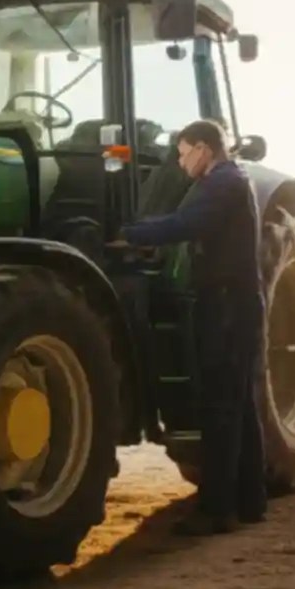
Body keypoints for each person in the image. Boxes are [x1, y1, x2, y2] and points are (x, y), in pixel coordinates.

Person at [114, 118, 268, 535]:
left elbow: (186, 225)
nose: (181, 163)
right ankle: (251, 501)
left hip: (226, 308)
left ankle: (217, 510)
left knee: (220, 405)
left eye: (183, 154)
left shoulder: (221, 184)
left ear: (203, 149)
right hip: (235, 305)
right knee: (240, 404)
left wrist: (129, 233)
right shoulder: (231, 180)